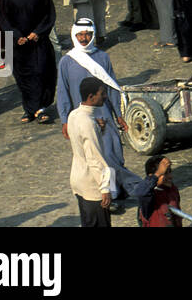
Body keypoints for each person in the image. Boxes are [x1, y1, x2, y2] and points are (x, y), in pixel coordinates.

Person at [57, 18, 139, 204]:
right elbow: (62, 92)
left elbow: (112, 88)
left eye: (88, 34)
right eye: (80, 35)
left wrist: (119, 115)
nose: (84, 38)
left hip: (105, 115)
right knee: (93, 157)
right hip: (82, 119)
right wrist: (65, 120)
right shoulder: (66, 62)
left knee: (111, 154)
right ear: (74, 35)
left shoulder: (103, 57)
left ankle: (115, 191)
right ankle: (104, 194)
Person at [0, 0, 59, 127]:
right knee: (23, 77)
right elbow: (4, 20)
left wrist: (37, 32)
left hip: (39, 43)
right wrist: (16, 35)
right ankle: (31, 109)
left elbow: (49, 16)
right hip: (19, 46)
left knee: (42, 73)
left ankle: (40, 108)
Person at [68, 77, 114, 227]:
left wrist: (98, 128)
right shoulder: (88, 122)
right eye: (102, 93)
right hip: (92, 185)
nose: (105, 96)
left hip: (78, 180)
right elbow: (94, 158)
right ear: (91, 96)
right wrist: (105, 187)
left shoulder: (74, 115)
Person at [131, 155, 181, 227]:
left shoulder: (173, 189)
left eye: (170, 172)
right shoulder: (149, 197)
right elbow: (140, 192)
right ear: (152, 176)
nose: (170, 176)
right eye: (165, 173)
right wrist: (157, 175)